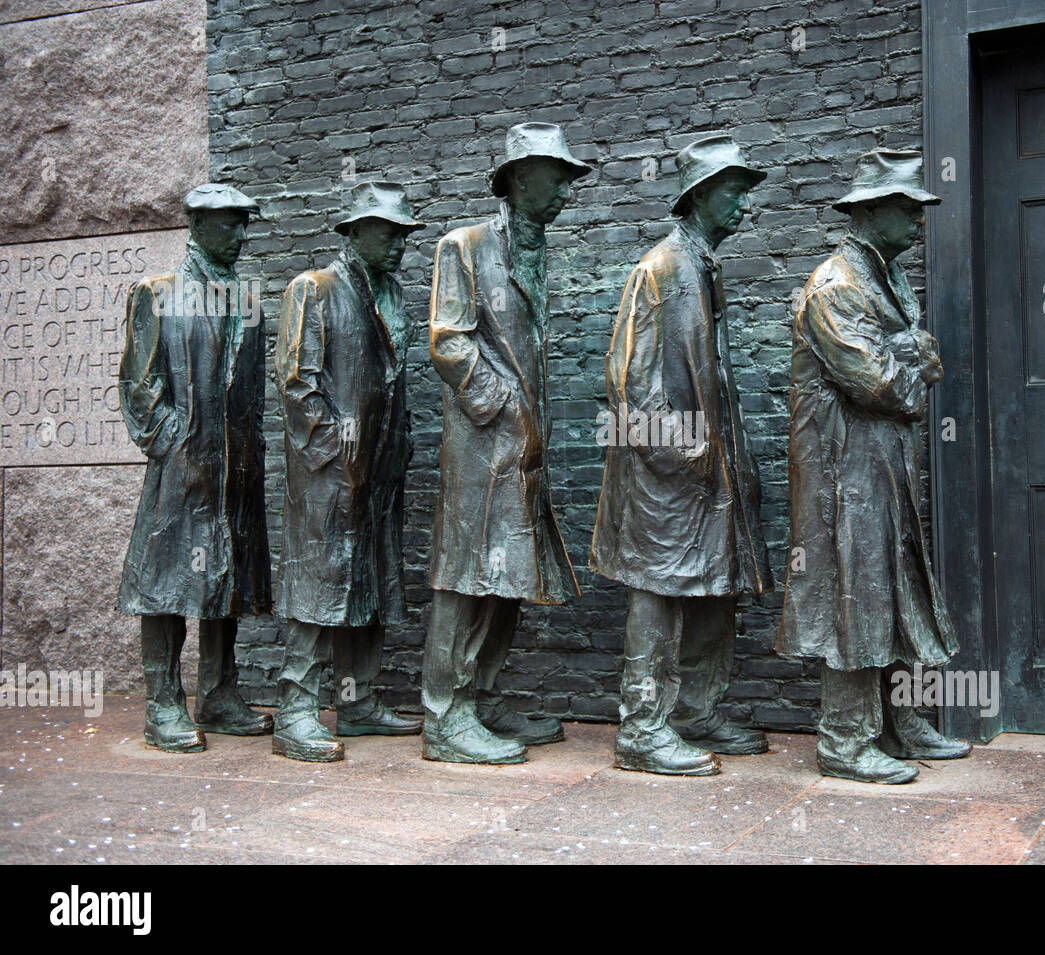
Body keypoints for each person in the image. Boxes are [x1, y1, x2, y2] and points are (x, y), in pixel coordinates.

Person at [778, 149, 971, 784]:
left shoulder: (885, 275)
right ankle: (844, 737)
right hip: (844, 471)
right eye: (909, 211)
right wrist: (913, 359)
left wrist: (907, 356)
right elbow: (884, 386)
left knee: (894, 587)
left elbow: (900, 368)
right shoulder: (837, 286)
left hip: (881, 465)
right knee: (854, 594)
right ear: (872, 212)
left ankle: (900, 721)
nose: (919, 223)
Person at [591, 134, 774, 776]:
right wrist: (692, 453)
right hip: (669, 474)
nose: (746, 206)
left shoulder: (703, 266)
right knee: (660, 592)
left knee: (713, 590)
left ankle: (695, 710)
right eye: (735, 192)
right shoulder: (660, 270)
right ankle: (643, 728)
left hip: (709, 472)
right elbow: (630, 386)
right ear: (700, 196)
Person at [422, 123, 591, 764]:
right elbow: (449, 340)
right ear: (520, 179)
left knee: (510, 574)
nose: (566, 192)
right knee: (468, 575)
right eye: (557, 177)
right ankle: (445, 715)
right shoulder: (463, 247)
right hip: (482, 445)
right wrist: (506, 406)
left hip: (523, 448)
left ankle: (483, 696)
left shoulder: (537, 249)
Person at [272, 181, 426, 762]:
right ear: (355, 232)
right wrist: (339, 450)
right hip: (329, 474)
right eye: (388, 233)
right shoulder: (313, 289)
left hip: (380, 469)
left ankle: (356, 704)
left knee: (371, 584)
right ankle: (295, 711)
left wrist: (389, 451)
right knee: (319, 586)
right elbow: (297, 382)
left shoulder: (392, 293)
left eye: (404, 235)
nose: (399, 245)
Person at [117, 183, 273, 752]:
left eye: (243, 223)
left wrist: (247, 450)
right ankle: (163, 702)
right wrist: (171, 443)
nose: (239, 234)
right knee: (165, 584)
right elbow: (138, 383)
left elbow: (251, 385)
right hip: (183, 465)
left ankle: (219, 693)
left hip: (236, 466)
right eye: (229, 223)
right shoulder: (157, 291)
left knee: (224, 577)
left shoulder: (246, 297)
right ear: (197, 224)